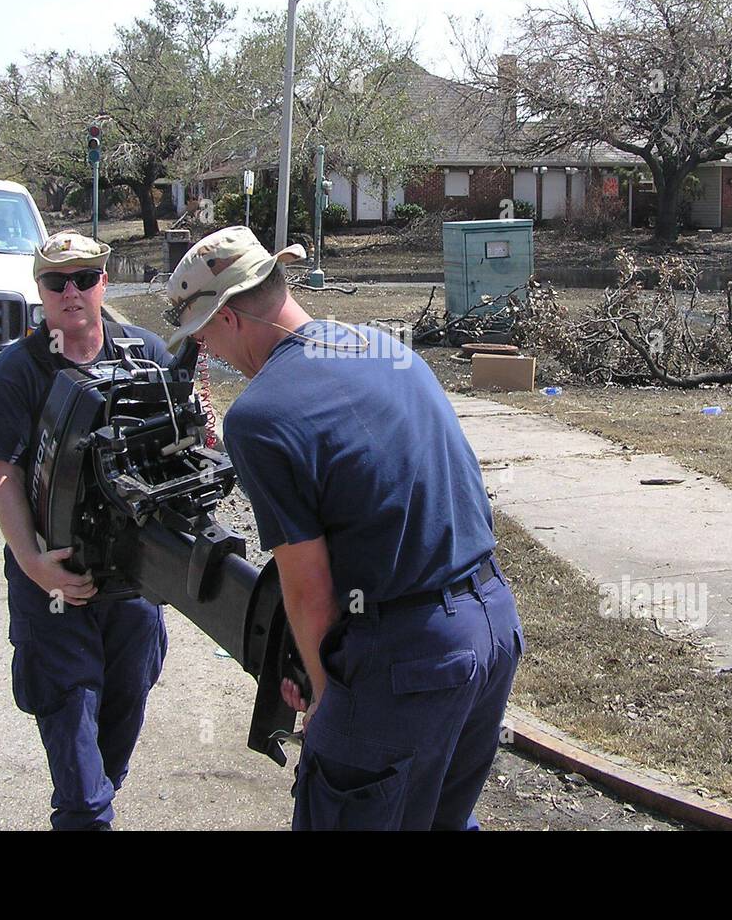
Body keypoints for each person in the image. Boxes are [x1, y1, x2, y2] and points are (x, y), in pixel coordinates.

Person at [164, 225, 524, 831]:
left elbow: (309, 590)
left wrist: (329, 694)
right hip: (490, 628)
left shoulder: (258, 417)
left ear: (226, 318)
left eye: (202, 338)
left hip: (408, 658)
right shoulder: (389, 352)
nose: (208, 355)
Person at [0, 230, 171, 830]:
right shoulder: (17, 370)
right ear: (39, 290)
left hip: (131, 581)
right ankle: (86, 812)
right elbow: (3, 474)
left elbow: (175, 454)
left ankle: (95, 799)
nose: (72, 292)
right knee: (70, 707)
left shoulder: (147, 352)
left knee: (127, 697)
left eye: (85, 278)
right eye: (57, 282)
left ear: (104, 282)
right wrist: (33, 562)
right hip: (52, 579)